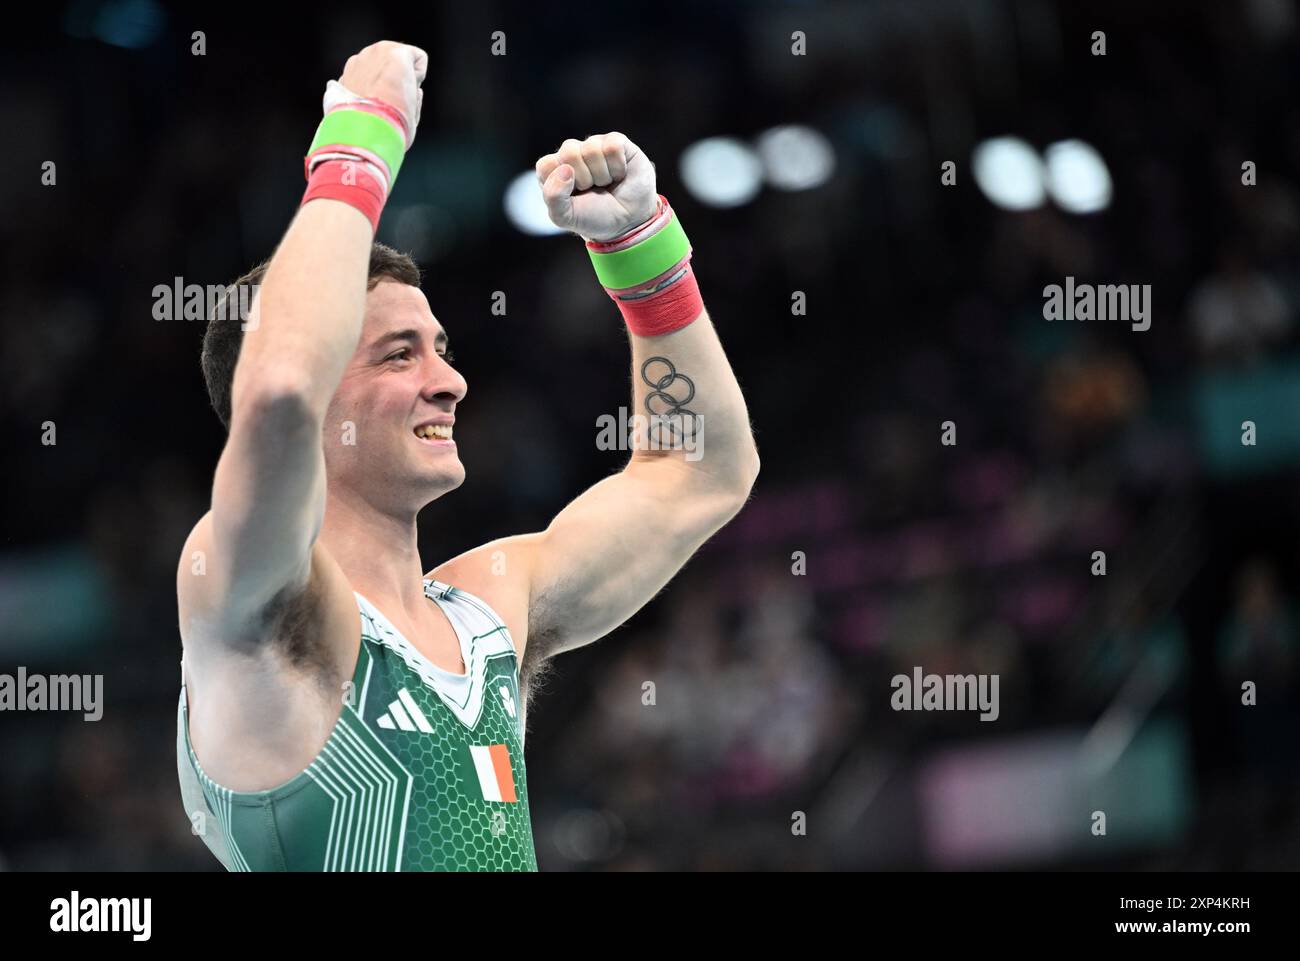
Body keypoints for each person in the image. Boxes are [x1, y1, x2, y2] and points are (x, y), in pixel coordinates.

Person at [175, 40, 760, 871]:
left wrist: (642, 251)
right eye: (397, 354)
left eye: (440, 348)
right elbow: (276, 395)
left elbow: (702, 473)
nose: (448, 380)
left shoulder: (488, 614)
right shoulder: (258, 605)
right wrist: (359, 139)